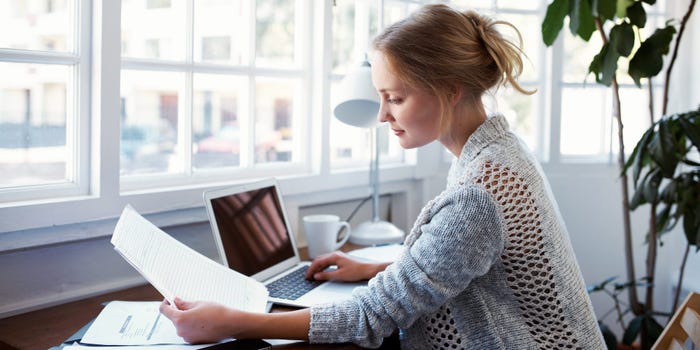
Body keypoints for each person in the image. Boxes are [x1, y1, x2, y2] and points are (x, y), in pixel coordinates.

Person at [160, 4, 605, 349]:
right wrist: (376, 267)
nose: (382, 114)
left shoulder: (479, 194)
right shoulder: (499, 150)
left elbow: (370, 318)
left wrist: (231, 323)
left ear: (449, 90)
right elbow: (468, 263)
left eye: (394, 97)